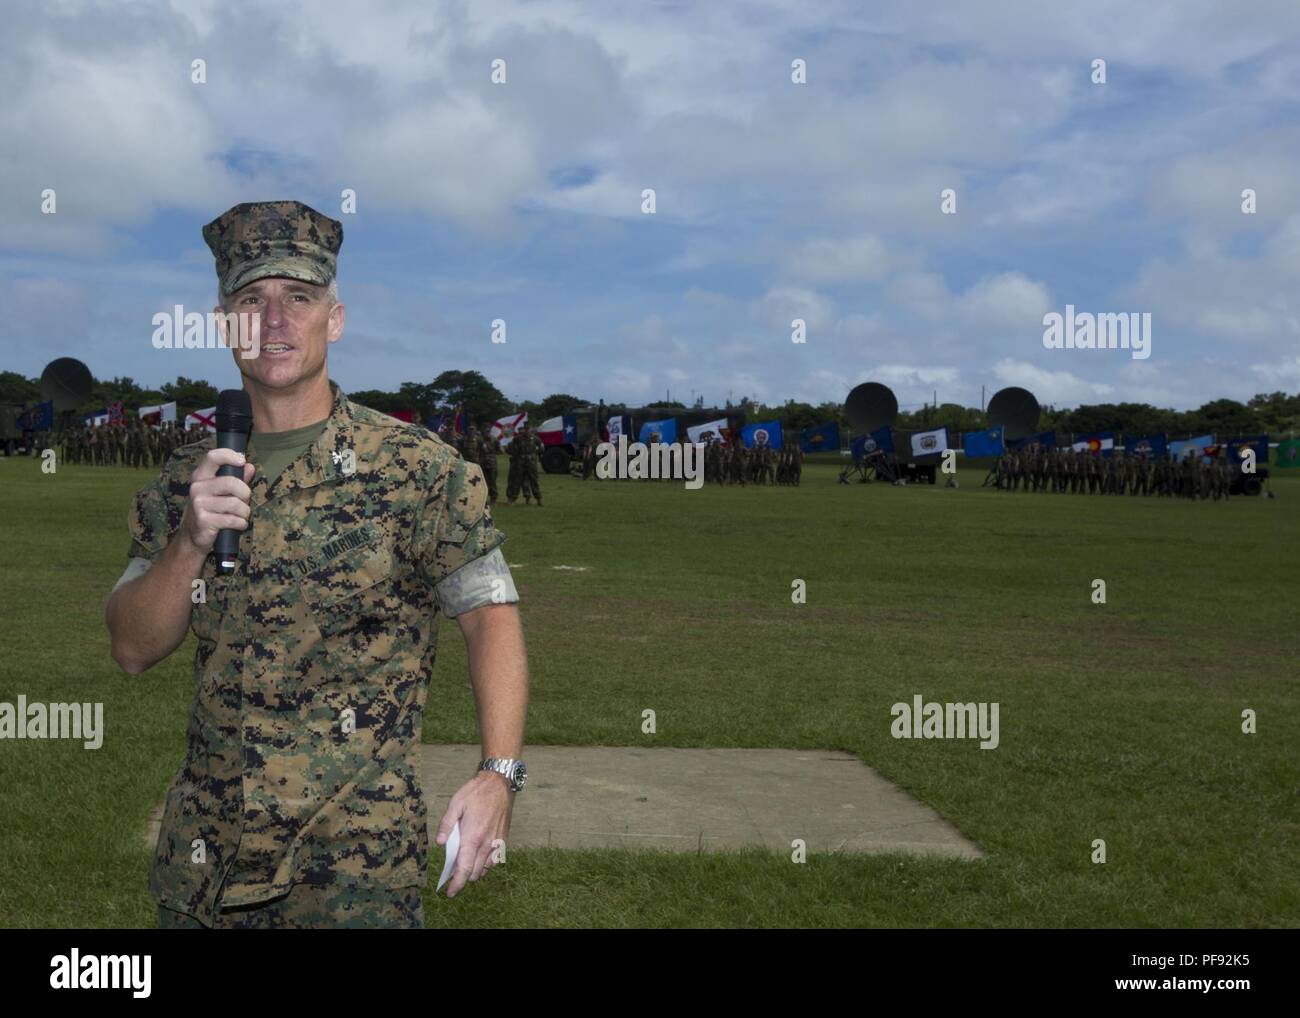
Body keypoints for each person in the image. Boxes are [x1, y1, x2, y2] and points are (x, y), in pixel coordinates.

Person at [105, 200, 529, 929]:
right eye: (251, 301)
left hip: (353, 875)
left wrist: (499, 778)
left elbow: (491, 620)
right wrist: (189, 541)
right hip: (205, 869)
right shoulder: (183, 481)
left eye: (297, 299)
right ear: (223, 323)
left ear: (333, 318)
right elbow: (132, 647)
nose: (274, 322)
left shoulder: (417, 471)